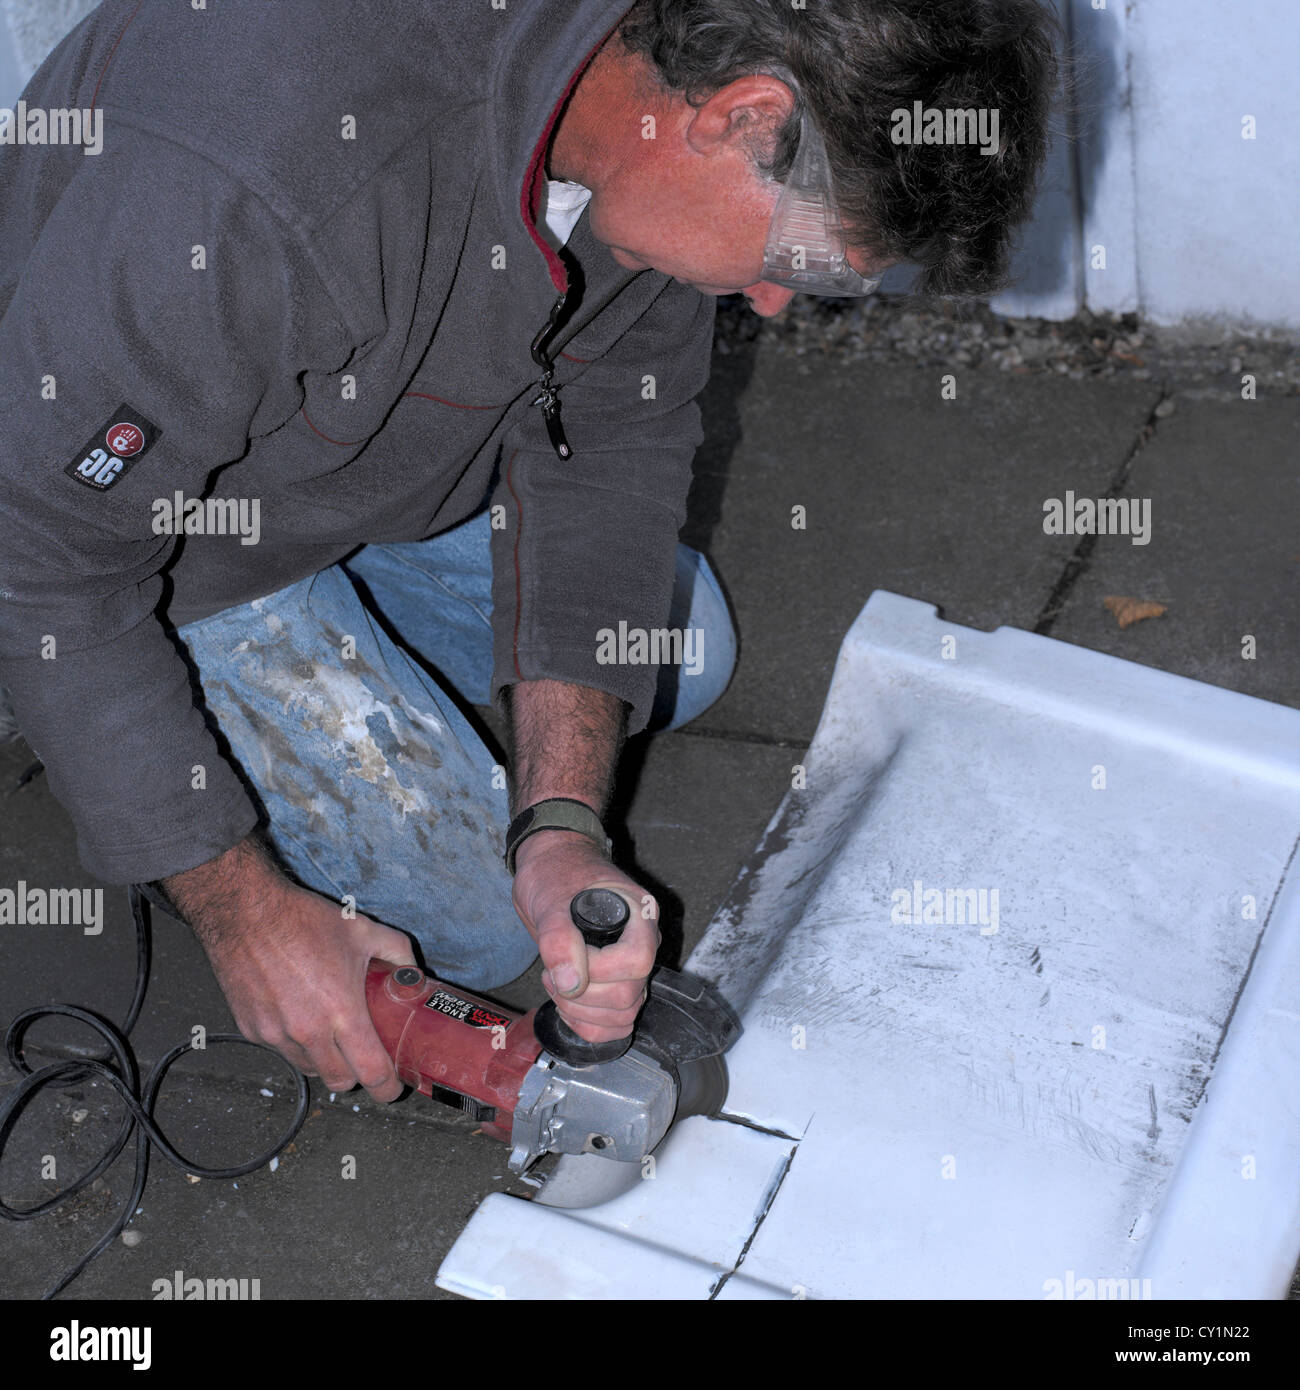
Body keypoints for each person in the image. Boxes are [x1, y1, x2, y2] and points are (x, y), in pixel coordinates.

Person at [0, 0, 1059, 1103]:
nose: (775, 301)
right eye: (804, 260)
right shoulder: (260, 177)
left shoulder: (643, 97)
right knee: (455, 912)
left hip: (353, 444)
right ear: (745, 115)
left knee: (675, 650)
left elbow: (613, 444)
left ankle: (341, 626)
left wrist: (560, 830)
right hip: (138, 531)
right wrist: (244, 912)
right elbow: (34, 546)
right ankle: (96, 701)